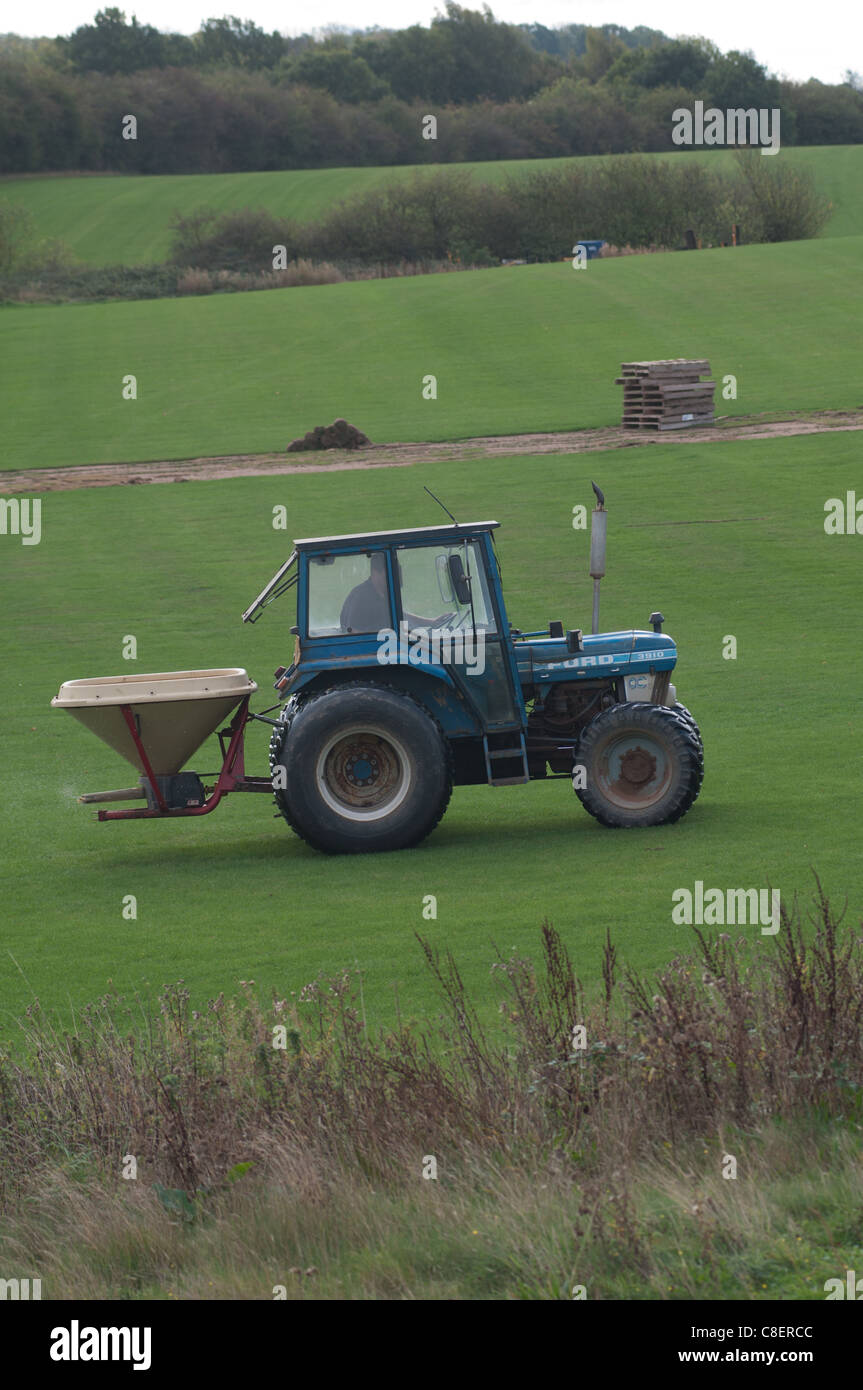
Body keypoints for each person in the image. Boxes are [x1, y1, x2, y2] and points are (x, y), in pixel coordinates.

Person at [340, 552, 392, 633]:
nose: (393, 577)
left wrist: (419, 622)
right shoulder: (360, 597)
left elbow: (399, 614)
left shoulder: (387, 593)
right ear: (376, 573)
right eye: (388, 573)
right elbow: (350, 630)